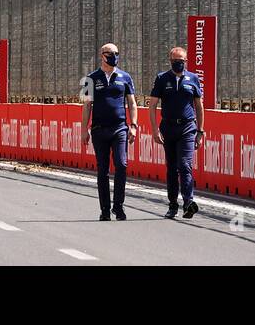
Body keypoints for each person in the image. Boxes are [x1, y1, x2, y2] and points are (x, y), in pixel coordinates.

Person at [81, 43, 137, 221]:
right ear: (102, 55)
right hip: (98, 130)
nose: (114, 56)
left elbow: (132, 103)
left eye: (117, 53)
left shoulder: (125, 77)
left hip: (120, 128)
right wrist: (84, 129)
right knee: (102, 170)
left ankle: (118, 206)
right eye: (111, 54)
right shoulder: (90, 78)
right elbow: (86, 105)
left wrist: (134, 125)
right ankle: (105, 209)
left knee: (121, 164)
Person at [148, 46, 204, 219]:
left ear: (186, 61)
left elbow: (199, 106)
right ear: (170, 61)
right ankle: (173, 204)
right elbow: (152, 105)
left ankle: (188, 202)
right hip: (168, 128)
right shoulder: (162, 79)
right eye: (174, 61)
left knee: (185, 165)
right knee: (172, 168)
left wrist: (200, 131)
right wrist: (155, 129)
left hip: (187, 127)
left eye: (180, 61)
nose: (177, 64)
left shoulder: (193, 79)